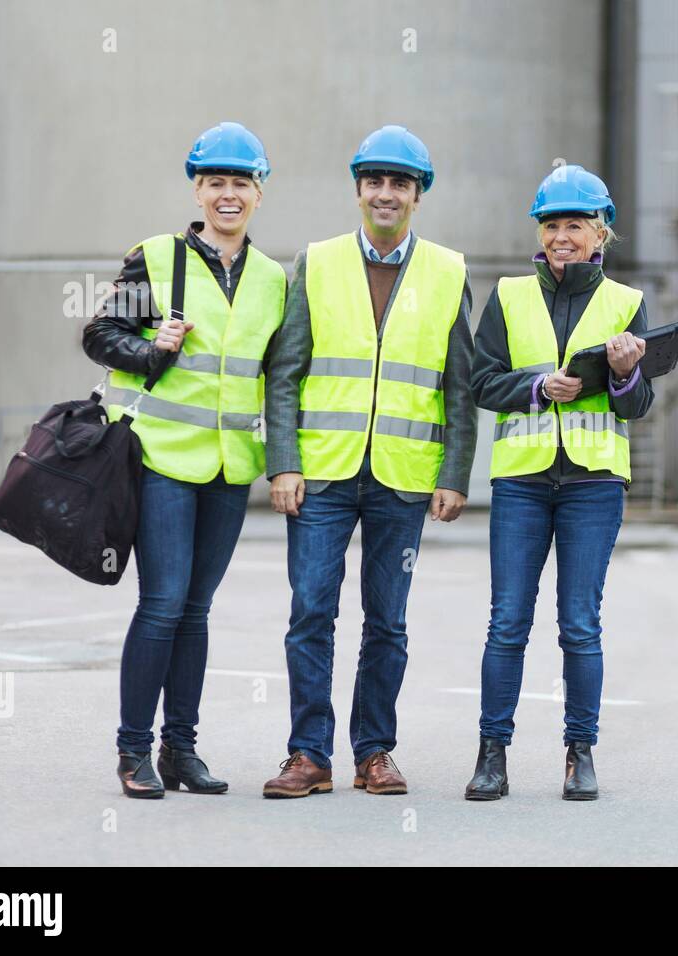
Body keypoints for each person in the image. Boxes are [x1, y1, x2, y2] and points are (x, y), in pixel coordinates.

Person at [260, 125, 476, 798]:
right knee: (310, 612)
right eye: (375, 181)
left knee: (388, 620)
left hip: (404, 478)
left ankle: (374, 751)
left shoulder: (448, 271)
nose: (387, 194)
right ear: (358, 190)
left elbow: (459, 383)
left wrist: (453, 473)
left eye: (400, 184)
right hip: (322, 473)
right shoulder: (317, 262)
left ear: (418, 196)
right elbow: (285, 371)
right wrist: (284, 462)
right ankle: (307, 755)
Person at [82, 122, 287, 798]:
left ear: (259, 192)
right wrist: (152, 351)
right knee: (163, 604)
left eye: (241, 183)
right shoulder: (159, 258)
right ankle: (132, 751)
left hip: (232, 468)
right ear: (197, 190)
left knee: (196, 610)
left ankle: (181, 750)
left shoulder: (271, 279)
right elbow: (99, 332)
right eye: (216, 183)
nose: (228, 195)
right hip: (164, 458)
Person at [465, 165, 653, 801]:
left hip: (593, 484)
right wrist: (538, 388)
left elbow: (636, 405)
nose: (563, 235)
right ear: (539, 233)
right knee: (507, 623)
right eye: (552, 224)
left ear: (602, 233)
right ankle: (492, 753)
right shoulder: (509, 296)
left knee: (579, 624)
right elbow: (482, 380)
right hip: (522, 481)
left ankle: (580, 752)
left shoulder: (625, 303)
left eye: (576, 224)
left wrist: (627, 375)